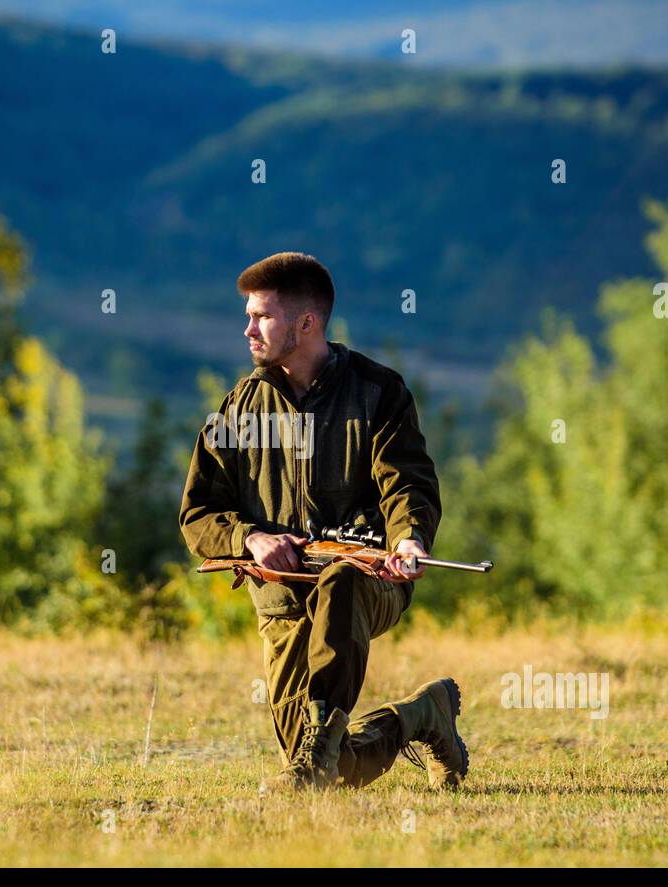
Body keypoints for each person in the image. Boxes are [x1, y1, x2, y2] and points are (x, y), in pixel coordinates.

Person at [179, 251, 468, 791]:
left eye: (261, 316)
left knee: (340, 582)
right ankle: (423, 716)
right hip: (281, 600)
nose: (248, 329)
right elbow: (197, 514)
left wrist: (409, 541)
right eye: (248, 315)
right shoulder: (239, 408)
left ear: (306, 323)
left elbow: (408, 482)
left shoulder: (379, 392)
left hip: (367, 581)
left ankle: (318, 754)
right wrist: (251, 538)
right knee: (336, 768)